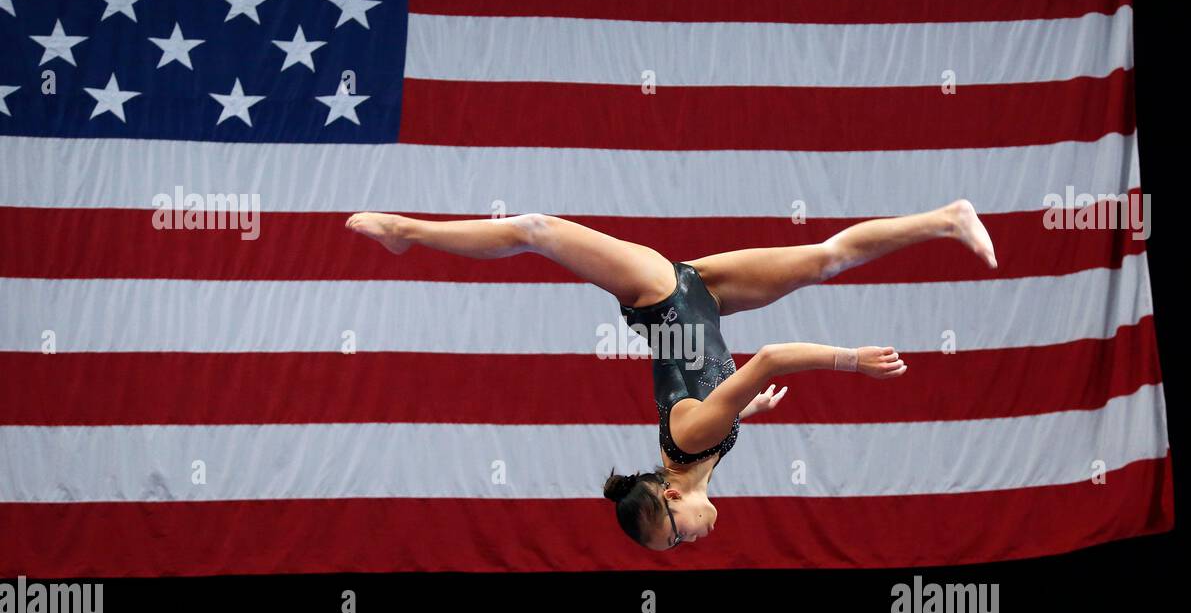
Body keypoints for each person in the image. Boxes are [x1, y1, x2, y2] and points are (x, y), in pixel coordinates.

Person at [345, 200, 996, 550]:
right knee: (828, 257)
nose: (690, 541)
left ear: (675, 500)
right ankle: (946, 218)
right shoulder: (694, 454)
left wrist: (852, 360)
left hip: (658, 292)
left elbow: (768, 357)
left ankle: (406, 230)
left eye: (677, 537)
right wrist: (751, 409)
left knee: (535, 229)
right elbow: (713, 389)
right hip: (703, 294)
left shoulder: (690, 442)